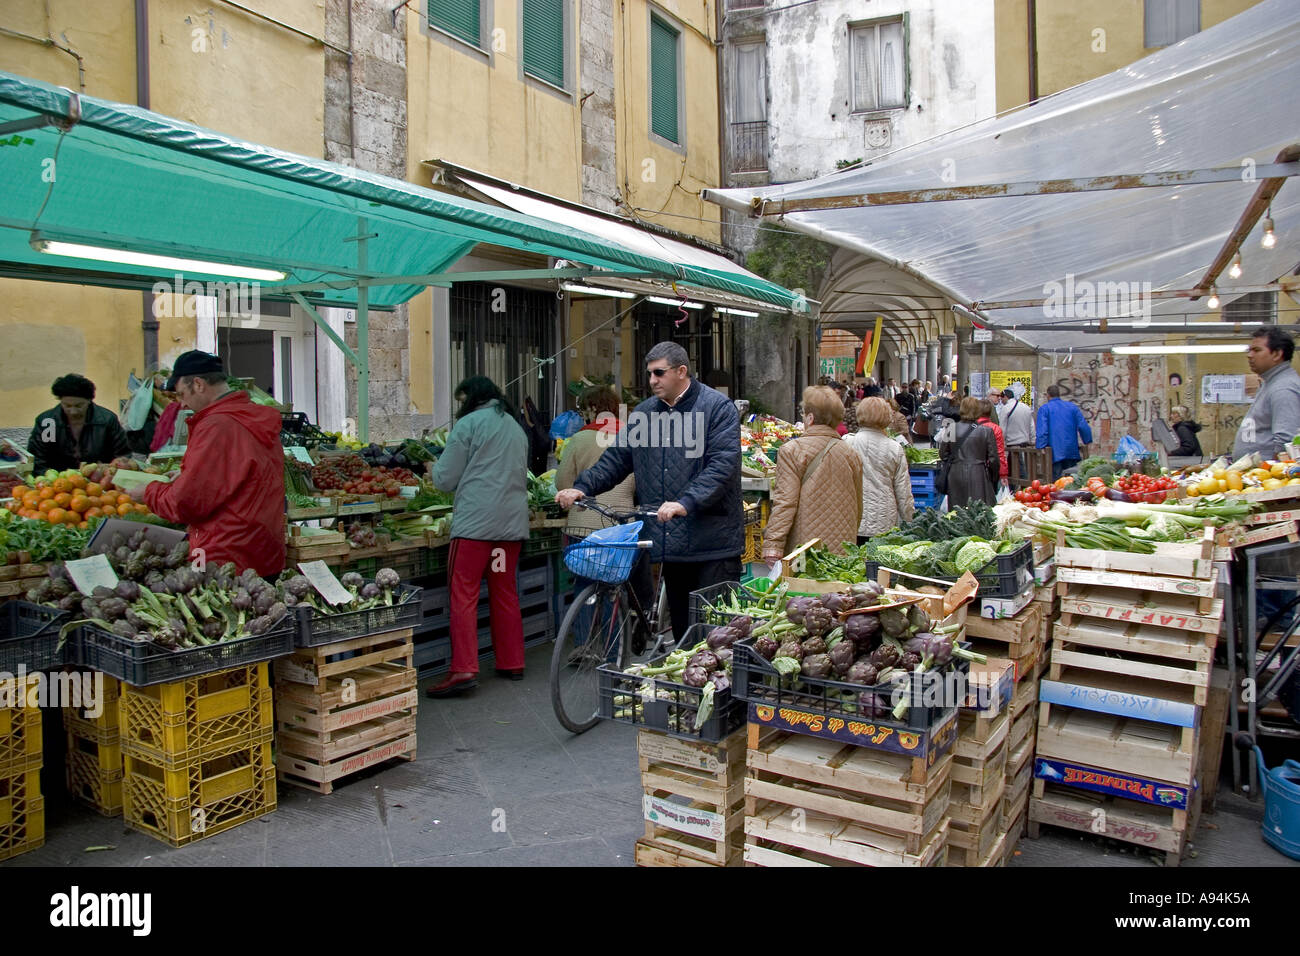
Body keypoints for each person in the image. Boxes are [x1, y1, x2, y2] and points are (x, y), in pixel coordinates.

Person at [555, 342, 743, 641]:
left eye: (659, 373)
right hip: (672, 540)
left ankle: (719, 688)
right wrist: (582, 487)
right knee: (684, 632)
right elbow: (617, 459)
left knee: (714, 634)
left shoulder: (717, 408)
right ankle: (686, 684)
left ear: (682, 371)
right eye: (650, 374)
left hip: (713, 541)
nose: (653, 380)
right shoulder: (644, 414)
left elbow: (722, 466)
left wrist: (686, 502)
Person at [128, 351, 285, 577]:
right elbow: (237, 478)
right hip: (263, 553)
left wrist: (149, 492)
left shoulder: (216, 425)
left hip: (225, 559)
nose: (181, 404)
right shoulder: (252, 416)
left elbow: (187, 502)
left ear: (199, 384)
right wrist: (187, 476)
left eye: (182, 394)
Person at [425, 376, 531, 698]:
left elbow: (445, 478)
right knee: (503, 590)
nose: (460, 406)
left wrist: (431, 468)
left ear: (471, 398)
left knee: (464, 593)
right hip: (507, 529)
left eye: (461, 399)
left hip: (474, 528)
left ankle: (464, 668)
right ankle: (512, 661)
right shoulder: (514, 426)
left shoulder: (469, 424)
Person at [762, 387, 863, 563]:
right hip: (844, 545)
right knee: (837, 590)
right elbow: (859, 503)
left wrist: (773, 545)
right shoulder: (850, 453)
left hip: (805, 548)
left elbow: (786, 501)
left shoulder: (792, 450)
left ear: (810, 418)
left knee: (804, 589)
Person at [27, 373, 131, 473]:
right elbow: (38, 459)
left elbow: (121, 455)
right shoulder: (48, 423)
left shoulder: (106, 421)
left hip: (98, 482)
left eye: (79, 406)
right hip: (57, 484)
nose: (73, 411)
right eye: (67, 406)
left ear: (89, 400)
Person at [845, 397, 915, 541]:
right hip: (883, 517)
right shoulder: (895, 448)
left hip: (852, 516)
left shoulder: (847, 442)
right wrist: (910, 519)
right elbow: (903, 490)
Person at [1234, 326, 1300, 461]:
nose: (1249, 355)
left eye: (1256, 350)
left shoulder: (1283, 388)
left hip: (1269, 478)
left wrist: (1272, 475)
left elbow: (1286, 442)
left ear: (1277, 354)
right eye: (1249, 350)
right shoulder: (1270, 382)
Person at [942, 396, 1000, 507]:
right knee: (978, 510)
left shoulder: (951, 428)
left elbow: (943, 454)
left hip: (956, 472)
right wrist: (993, 478)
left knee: (957, 510)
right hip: (978, 473)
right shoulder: (986, 431)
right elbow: (994, 459)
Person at [1036, 385, 1093, 480]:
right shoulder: (1072, 407)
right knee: (1072, 478)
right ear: (1059, 394)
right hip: (1071, 449)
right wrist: (1087, 440)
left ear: (1048, 395)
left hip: (1054, 450)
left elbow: (1042, 430)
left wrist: (1041, 446)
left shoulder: (1045, 409)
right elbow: (1083, 425)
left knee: (1056, 480)